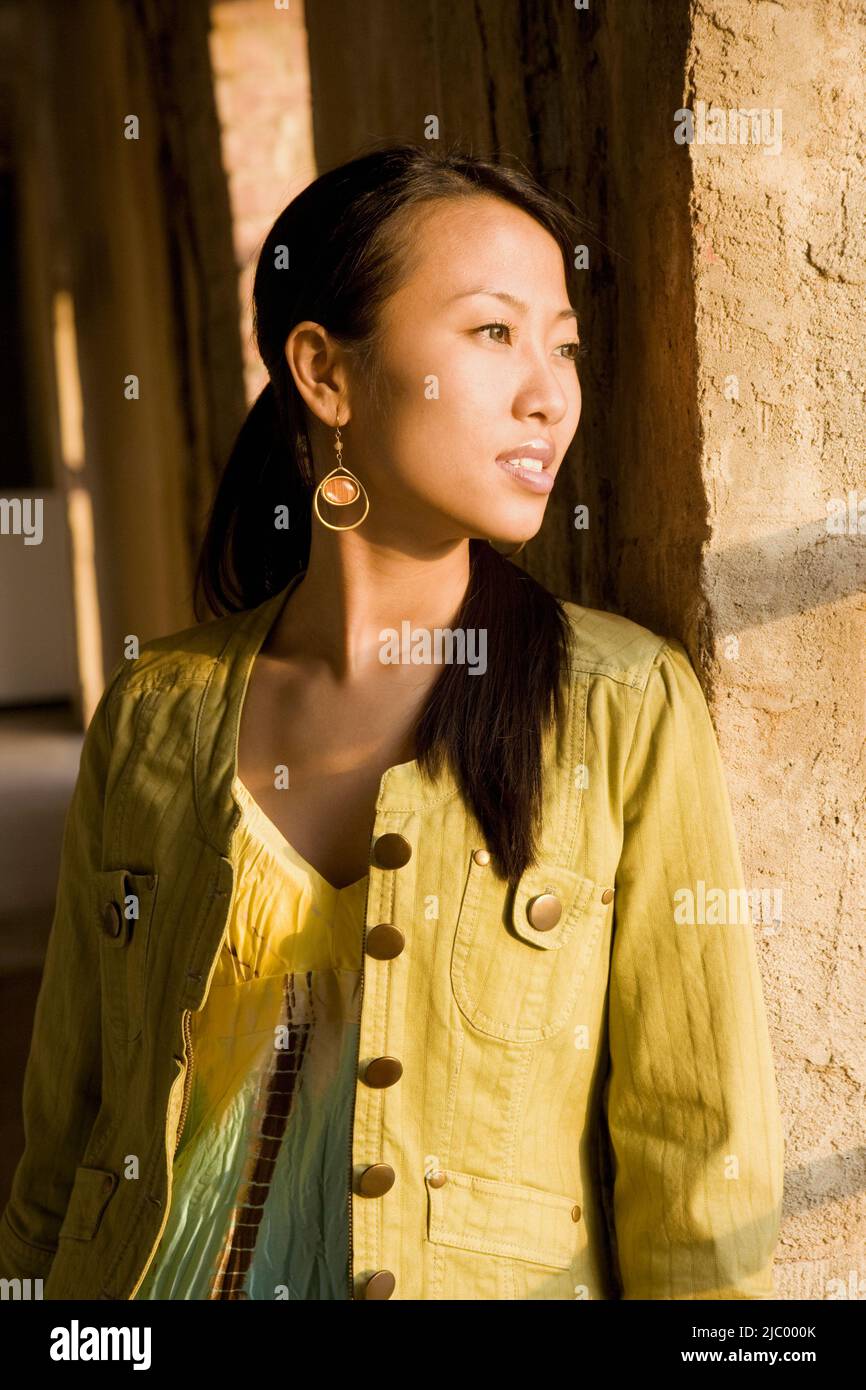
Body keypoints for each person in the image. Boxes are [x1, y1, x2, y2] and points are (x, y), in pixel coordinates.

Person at [0, 142, 784, 1300]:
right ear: (324, 372)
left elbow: (698, 1168)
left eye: (561, 344)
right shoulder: (155, 715)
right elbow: (69, 1130)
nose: (547, 391)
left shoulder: (621, 708)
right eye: (490, 333)